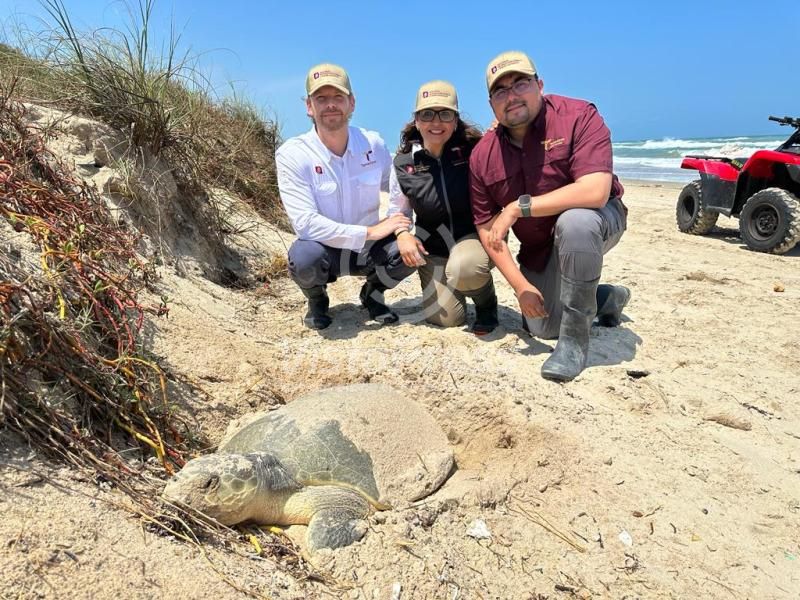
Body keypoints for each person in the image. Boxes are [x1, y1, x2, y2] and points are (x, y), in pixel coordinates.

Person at [470, 50, 631, 381]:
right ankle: (606, 297)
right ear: (491, 104)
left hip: (596, 222)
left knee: (575, 222)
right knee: (541, 327)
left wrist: (518, 206)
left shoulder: (578, 115)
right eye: (500, 91)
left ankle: (574, 344)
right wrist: (520, 287)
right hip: (539, 248)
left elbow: (594, 191)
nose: (511, 96)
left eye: (520, 84)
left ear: (539, 85)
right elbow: (489, 231)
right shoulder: (482, 156)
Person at [275, 63, 415, 330]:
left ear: (351, 103)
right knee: (303, 258)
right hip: (323, 248)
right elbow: (304, 223)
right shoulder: (292, 154)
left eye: (338, 97)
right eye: (321, 98)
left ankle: (372, 295)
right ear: (309, 106)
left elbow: (399, 189)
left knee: (411, 248)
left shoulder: (373, 143)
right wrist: (370, 232)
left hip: (367, 251)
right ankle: (317, 299)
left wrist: (401, 228)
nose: (330, 105)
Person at [388, 80, 498, 334]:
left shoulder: (474, 151)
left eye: (445, 114)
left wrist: (499, 130)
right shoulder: (403, 163)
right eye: (427, 114)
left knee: (465, 268)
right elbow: (398, 210)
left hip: (471, 239)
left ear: (455, 120)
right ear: (416, 120)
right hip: (433, 251)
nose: (436, 122)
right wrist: (403, 234)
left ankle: (486, 303)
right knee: (448, 319)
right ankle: (457, 284)